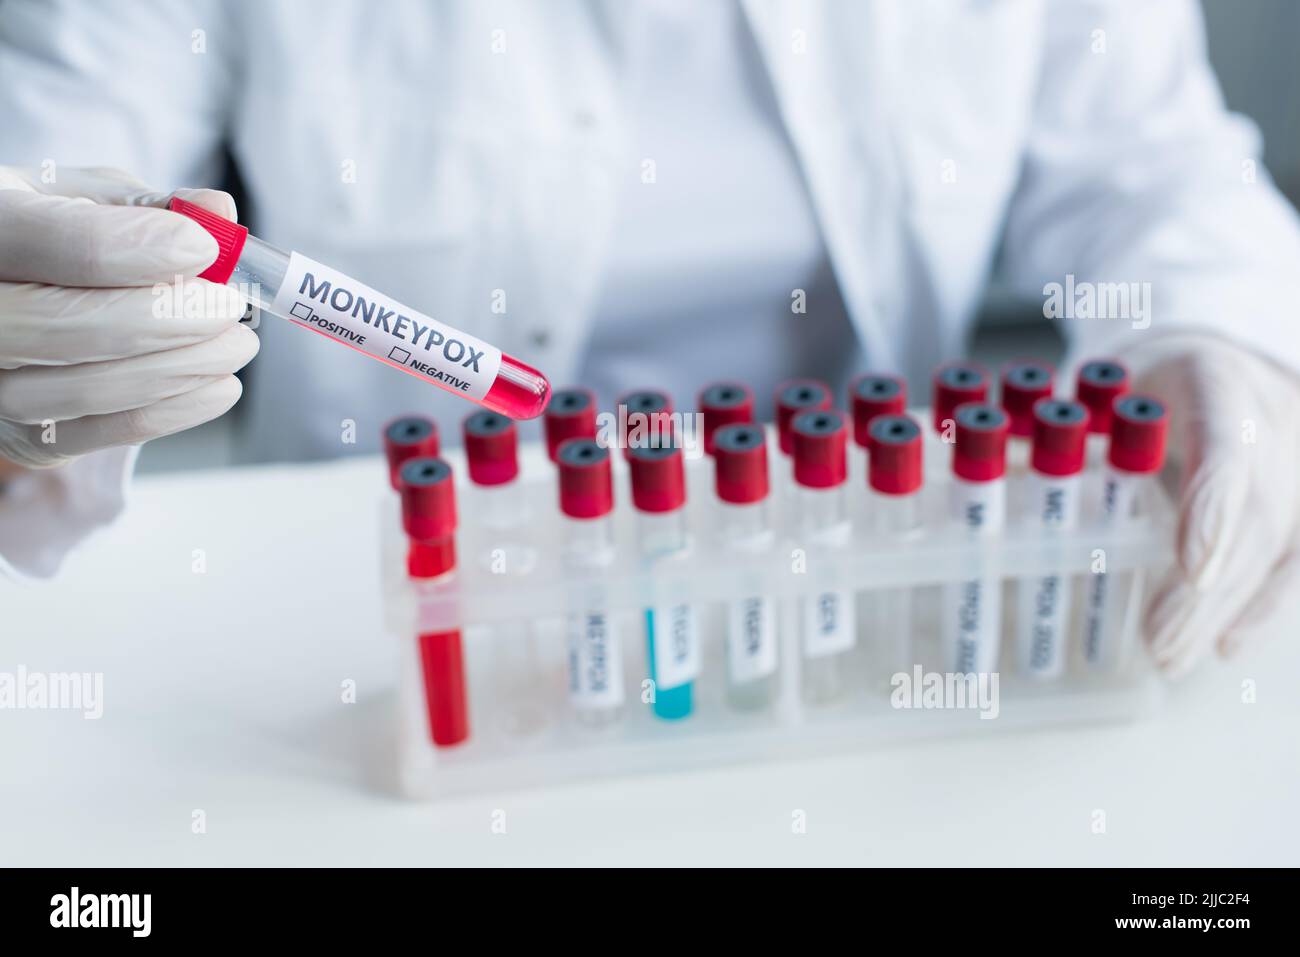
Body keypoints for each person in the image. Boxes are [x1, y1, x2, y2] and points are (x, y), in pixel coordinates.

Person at [0, 0, 1297, 675]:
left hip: (856, 596)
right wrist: (30, 332)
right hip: (380, 631)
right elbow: (47, 151)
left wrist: (1223, 336)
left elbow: (1155, 165)